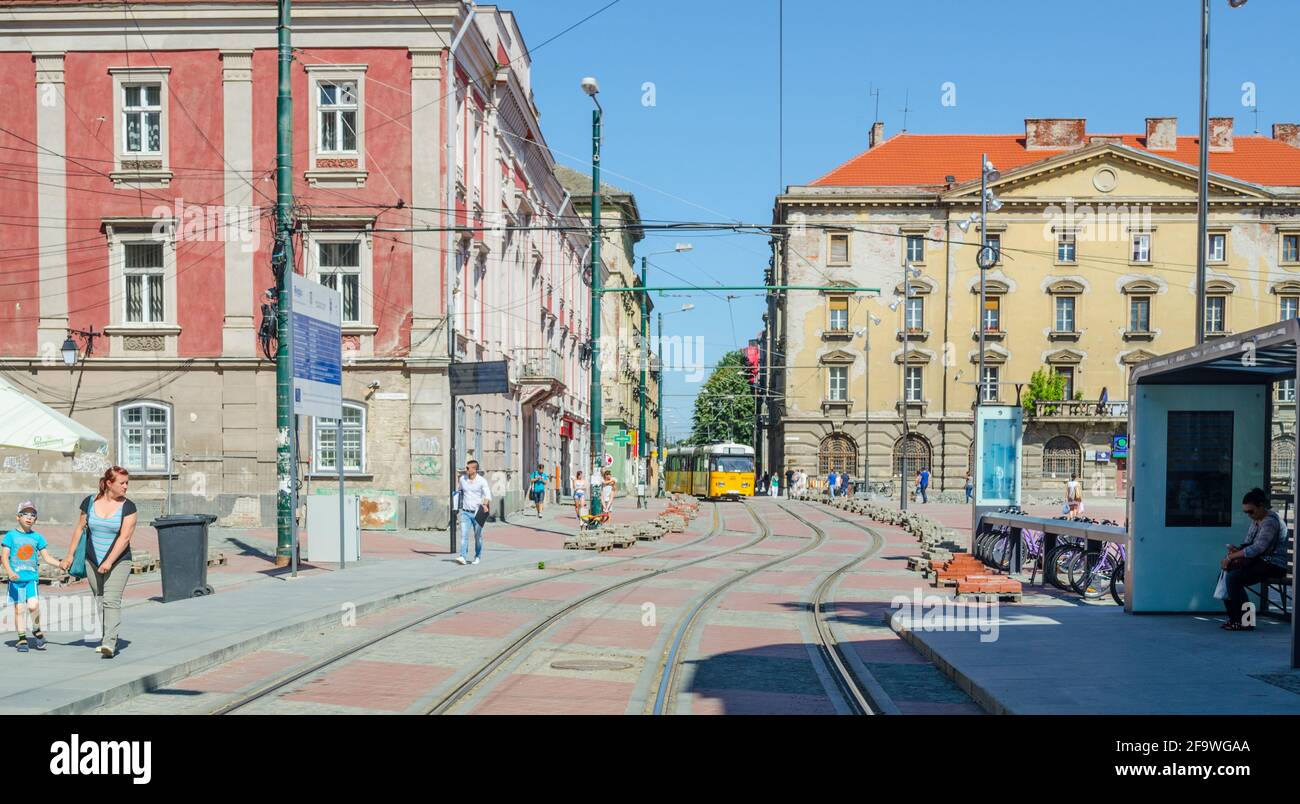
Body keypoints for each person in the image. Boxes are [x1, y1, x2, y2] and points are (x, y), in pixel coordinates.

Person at [63, 466, 137, 658]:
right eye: (122, 483)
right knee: (100, 599)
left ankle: (109, 643)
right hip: (91, 559)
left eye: (127, 483)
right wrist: (70, 555)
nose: (126, 487)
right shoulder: (89, 502)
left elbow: (125, 538)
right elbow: (80, 529)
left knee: (111, 600)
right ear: (109, 484)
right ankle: (108, 634)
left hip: (118, 560)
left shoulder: (129, 507)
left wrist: (109, 561)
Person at [1220, 487, 1290, 631]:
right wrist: (1237, 549)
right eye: (1246, 512)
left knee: (1234, 578)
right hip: (1260, 561)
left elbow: (1258, 548)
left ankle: (1246, 621)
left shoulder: (1270, 521)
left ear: (1261, 506)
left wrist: (1231, 556)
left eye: (1251, 511)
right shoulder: (1257, 520)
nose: (1249, 515)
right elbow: (1249, 544)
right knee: (1226, 574)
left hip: (1273, 564)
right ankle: (1235, 619)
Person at [2, 501, 63, 653]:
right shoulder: (10, 536)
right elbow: (4, 557)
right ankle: (22, 638)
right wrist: (9, 571)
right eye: (25, 514)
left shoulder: (37, 537)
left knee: (33, 606)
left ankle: (36, 629)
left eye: (33, 515)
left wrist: (61, 564)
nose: (29, 517)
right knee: (19, 609)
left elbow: (47, 558)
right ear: (18, 517)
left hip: (31, 580)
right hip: (16, 581)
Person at [454, 459, 492, 565]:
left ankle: (477, 556)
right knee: (464, 535)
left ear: (474, 469)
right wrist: (456, 503)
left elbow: (488, 495)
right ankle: (463, 556)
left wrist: (485, 504)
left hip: (477, 513)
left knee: (477, 536)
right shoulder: (462, 479)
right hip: (465, 512)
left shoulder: (482, 481)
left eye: (467, 468)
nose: (465, 470)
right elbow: (459, 491)